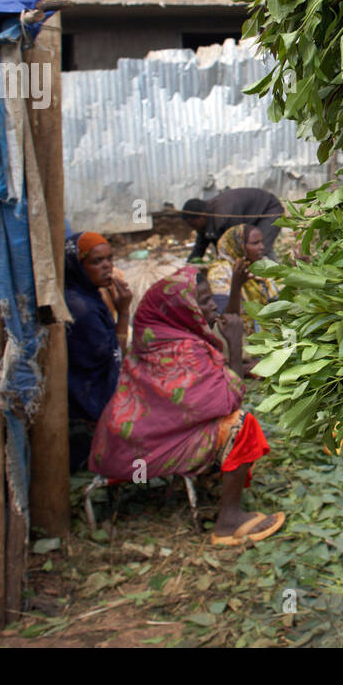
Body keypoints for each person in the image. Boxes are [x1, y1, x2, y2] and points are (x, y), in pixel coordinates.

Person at [88, 268, 284, 545]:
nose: (211, 305)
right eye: (202, 301)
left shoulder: (158, 336)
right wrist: (236, 346)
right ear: (183, 308)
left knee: (224, 421)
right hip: (135, 453)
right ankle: (228, 521)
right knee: (240, 425)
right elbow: (228, 399)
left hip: (120, 443)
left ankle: (210, 482)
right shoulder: (182, 350)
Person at [64, 232, 131, 472]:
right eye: (96, 261)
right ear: (77, 265)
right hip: (90, 409)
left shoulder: (87, 296)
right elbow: (114, 358)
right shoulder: (82, 310)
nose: (107, 266)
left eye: (109, 259)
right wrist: (123, 313)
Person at [206, 224, 281, 335]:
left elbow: (281, 296)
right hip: (239, 337)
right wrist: (236, 285)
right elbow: (226, 317)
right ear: (238, 246)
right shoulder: (220, 272)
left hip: (267, 334)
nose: (262, 247)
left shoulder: (263, 264)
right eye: (255, 243)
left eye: (261, 242)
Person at [182, 188, 284, 262]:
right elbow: (200, 246)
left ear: (202, 217)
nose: (193, 229)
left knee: (258, 249)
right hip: (250, 214)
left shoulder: (224, 217)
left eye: (193, 225)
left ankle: (277, 280)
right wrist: (189, 266)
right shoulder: (206, 218)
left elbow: (235, 244)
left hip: (269, 210)